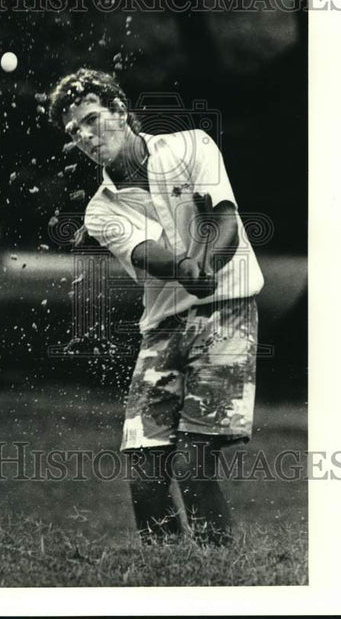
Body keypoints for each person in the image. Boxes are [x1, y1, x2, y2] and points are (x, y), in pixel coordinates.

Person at [49, 68, 264, 546]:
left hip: (227, 312)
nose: (84, 136)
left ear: (121, 111)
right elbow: (147, 254)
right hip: (162, 328)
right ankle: (166, 574)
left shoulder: (193, 146)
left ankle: (220, 574)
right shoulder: (100, 210)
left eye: (91, 119)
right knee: (144, 471)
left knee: (192, 466)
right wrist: (188, 268)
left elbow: (225, 220)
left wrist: (207, 264)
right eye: (74, 132)